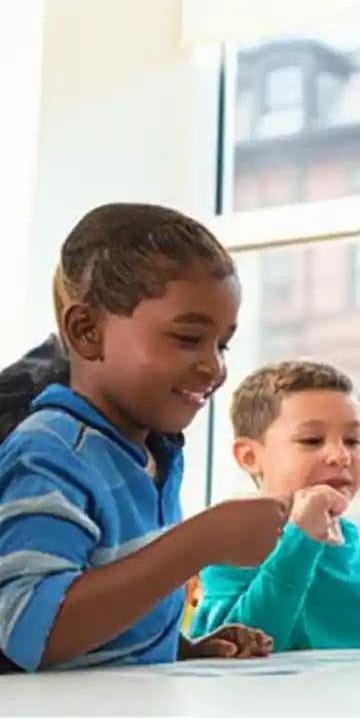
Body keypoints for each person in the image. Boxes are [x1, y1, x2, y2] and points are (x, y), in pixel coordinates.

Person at [0, 203, 288, 672]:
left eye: (222, 344)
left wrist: (176, 645)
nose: (214, 367)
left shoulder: (152, 453)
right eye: (188, 338)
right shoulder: (49, 452)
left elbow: (105, 609)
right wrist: (200, 542)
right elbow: (29, 629)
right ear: (86, 331)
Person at [190, 359, 360, 650]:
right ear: (249, 456)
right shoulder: (230, 551)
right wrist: (301, 539)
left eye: (352, 441)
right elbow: (230, 654)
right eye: (312, 440)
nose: (340, 455)